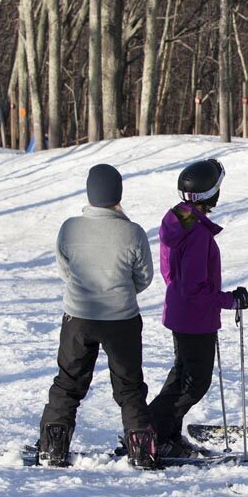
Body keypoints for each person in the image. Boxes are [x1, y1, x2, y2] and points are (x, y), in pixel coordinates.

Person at [38, 164, 157, 468]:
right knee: (129, 386)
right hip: (122, 320)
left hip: (78, 317)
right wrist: (119, 291)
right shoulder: (132, 232)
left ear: (90, 193)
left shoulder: (70, 228)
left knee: (68, 382)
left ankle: (53, 447)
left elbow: (65, 271)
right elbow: (144, 278)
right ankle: (141, 450)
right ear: (119, 195)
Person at [147, 159, 248, 458]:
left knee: (182, 378)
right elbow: (194, 287)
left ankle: (166, 434)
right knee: (194, 384)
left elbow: (171, 274)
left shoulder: (178, 220)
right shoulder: (197, 233)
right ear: (211, 194)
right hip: (195, 318)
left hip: (182, 313)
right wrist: (229, 300)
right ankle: (148, 433)